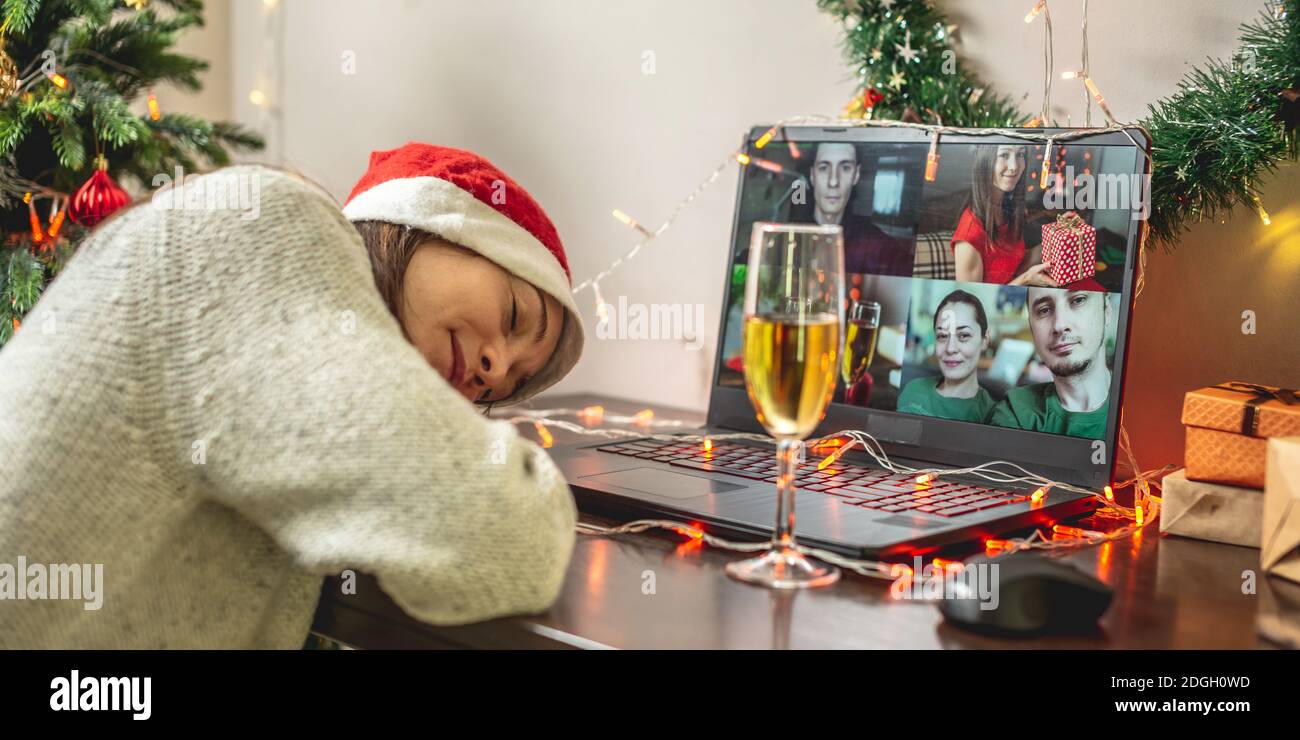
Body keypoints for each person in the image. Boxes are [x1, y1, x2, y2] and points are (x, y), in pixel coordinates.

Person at [0, 143, 585, 648]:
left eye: (506, 385)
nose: (494, 367)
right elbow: (509, 542)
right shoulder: (271, 229)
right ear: (432, 220)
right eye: (513, 316)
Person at [989, 287, 1112, 439]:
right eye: (1044, 310)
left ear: (1107, 310)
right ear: (1031, 327)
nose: (1059, 325)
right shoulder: (1016, 411)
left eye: (1078, 300)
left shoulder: (1139, 408)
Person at [952, 144, 1056, 286]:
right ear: (985, 162)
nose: (1014, 166)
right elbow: (971, 300)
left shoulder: (1008, 210)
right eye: (1004, 155)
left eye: (1020, 155)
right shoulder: (970, 235)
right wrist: (1026, 279)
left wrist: (1059, 232)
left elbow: (1019, 264)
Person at [805, 142, 914, 276]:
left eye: (845, 168)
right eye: (823, 168)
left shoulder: (879, 247)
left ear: (856, 175)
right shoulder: (785, 239)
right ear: (812, 175)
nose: (833, 182)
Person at [897, 290, 996, 423]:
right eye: (942, 336)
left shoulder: (992, 416)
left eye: (963, 336)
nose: (950, 349)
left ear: (984, 340)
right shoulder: (912, 390)